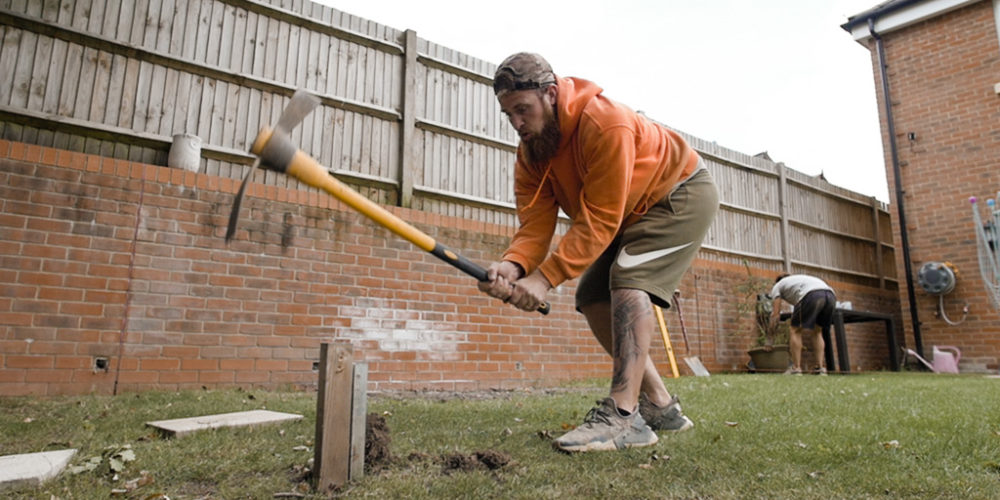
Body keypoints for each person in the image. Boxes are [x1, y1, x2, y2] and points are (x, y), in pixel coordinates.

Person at [478, 53, 719, 452]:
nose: (517, 124)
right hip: (629, 213)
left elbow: (600, 221)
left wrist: (544, 278)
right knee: (592, 297)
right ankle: (660, 407)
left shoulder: (604, 123)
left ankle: (624, 418)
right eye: (508, 114)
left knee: (628, 281)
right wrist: (514, 266)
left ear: (551, 94)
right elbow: (535, 225)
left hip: (678, 194)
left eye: (523, 110)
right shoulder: (533, 152)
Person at [767, 274, 836, 375]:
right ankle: (820, 368)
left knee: (795, 330)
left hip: (811, 295)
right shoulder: (799, 280)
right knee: (817, 331)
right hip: (830, 296)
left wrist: (769, 339)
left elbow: (775, 315)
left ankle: (796, 368)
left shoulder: (777, 286)